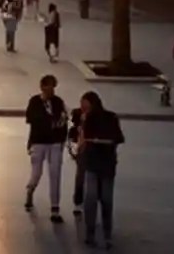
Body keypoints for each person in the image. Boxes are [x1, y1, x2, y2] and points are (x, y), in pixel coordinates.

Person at [78, 91, 125, 249]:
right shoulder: (88, 119)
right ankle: (92, 233)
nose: (83, 108)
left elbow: (118, 138)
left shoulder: (110, 117)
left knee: (105, 200)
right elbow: (84, 140)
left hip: (105, 164)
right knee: (91, 199)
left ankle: (106, 234)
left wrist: (104, 141)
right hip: (93, 163)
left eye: (85, 104)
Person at [24, 74, 68, 222]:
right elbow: (31, 119)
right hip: (39, 141)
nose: (51, 90)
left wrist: (62, 138)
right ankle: (30, 189)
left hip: (55, 142)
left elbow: (63, 120)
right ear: (42, 87)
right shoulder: (35, 102)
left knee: (55, 173)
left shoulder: (58, 102)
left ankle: (55, 208)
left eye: (53, 86)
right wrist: (49, 121)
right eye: (48, 86)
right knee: (37, 172)